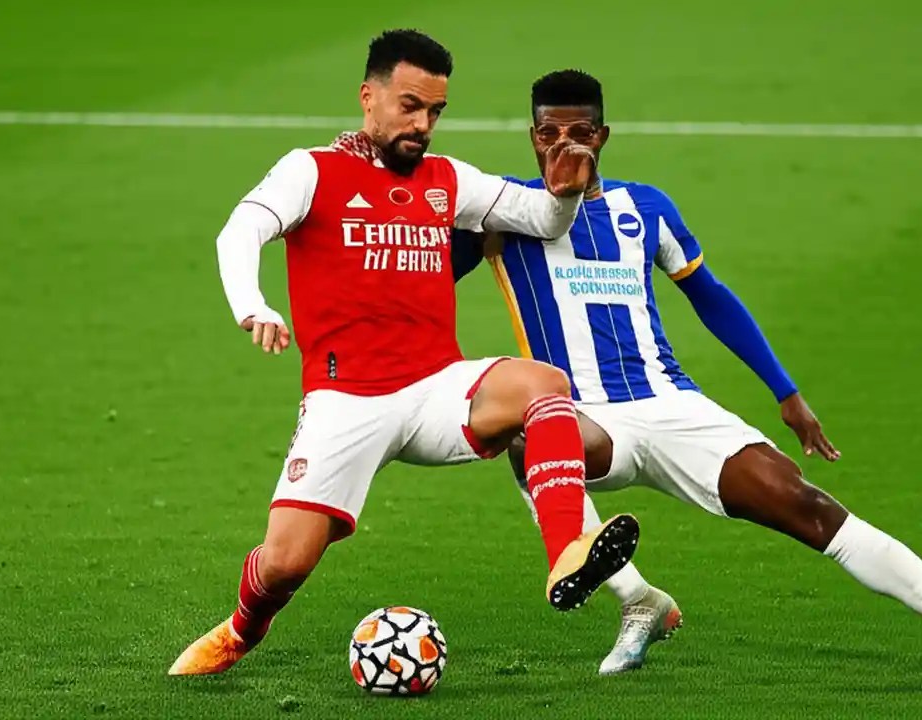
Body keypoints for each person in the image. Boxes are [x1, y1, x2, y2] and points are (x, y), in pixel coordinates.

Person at [452, 69, 922, 676]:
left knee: (807, 506)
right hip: (584, 417)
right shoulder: (503, 213)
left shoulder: (646, 208)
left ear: (603, 135)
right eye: (549, 133)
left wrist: (786, 392)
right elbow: (423, 281)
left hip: (673, 405)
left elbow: (712, 298)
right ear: (532, 137)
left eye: (579, 131)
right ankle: (637, 599)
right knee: (531, 435)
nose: (565, 145)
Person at [168, 34, 642, 677]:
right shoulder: (312, 170)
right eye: (410, 106)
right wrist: (253, 305)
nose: (422, 125)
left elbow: (541, 218)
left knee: (542, 383)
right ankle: (241, 630)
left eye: (435, 112)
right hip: (345, 401)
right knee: (285, 563)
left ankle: (568, 550)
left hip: (438, 388)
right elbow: (240, 229)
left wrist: (563, 189)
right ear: (370, 97)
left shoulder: (448, 179)